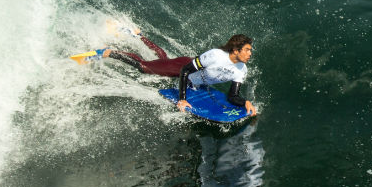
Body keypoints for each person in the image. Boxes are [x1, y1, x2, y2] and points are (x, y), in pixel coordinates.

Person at [103, 32, 257, 116]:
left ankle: (140, 35)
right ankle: (110, 53)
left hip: (194, 81)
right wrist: (182, 99)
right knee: (144, 67)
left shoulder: (241, 69)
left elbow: (232, 96)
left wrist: (245, 102)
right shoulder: (216, 55)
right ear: (236, 51)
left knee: (163, 60)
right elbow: (185, 71)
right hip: (182, 67)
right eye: (247, 50)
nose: (250, 53)